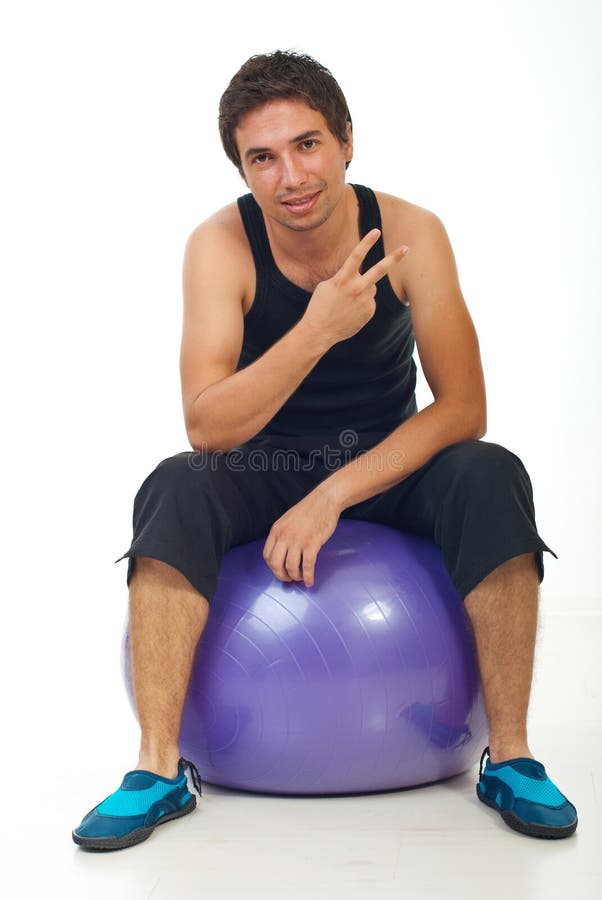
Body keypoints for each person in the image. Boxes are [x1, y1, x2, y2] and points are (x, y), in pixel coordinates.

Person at [72, 50, 577, 851]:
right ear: (242, 170)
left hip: (386, 459)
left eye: (307, 145)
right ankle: (157, 770)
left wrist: (333, 494)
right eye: (262, 159)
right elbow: (206, 427)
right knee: (174, 485)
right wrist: (315, 332)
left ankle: (509, 756)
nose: (291, 176)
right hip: (263, 464)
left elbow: (465, 407)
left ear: (346, 141)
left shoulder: (411, 232)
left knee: (493, 473)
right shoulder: (220, 247)